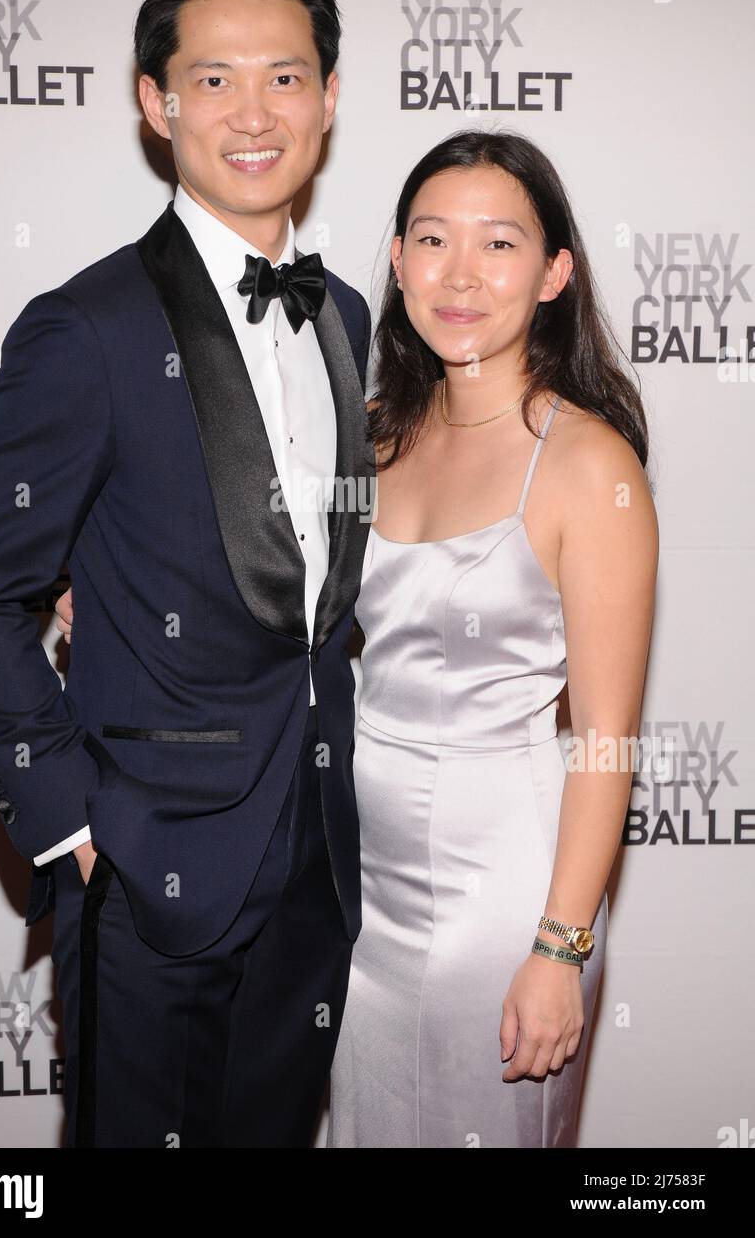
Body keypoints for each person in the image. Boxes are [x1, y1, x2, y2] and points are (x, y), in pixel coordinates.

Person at [0, 0, 376, 1148]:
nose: (252, 113)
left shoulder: (343, 314)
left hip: (314, 860)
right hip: (145, 866)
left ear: (329, 98)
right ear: (154, 100)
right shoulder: (88, 328)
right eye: (213, 78)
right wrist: (73, 822)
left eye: (283, 78)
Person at [325, 130, 658, 1147]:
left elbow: (604, 733)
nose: (458, 273)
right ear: (395, 260)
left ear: (555, 271)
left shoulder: (585, 463)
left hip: (502, 896)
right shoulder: (370, 434)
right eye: (431, 239)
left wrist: (559, 946)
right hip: (357, 895)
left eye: (499, 243)